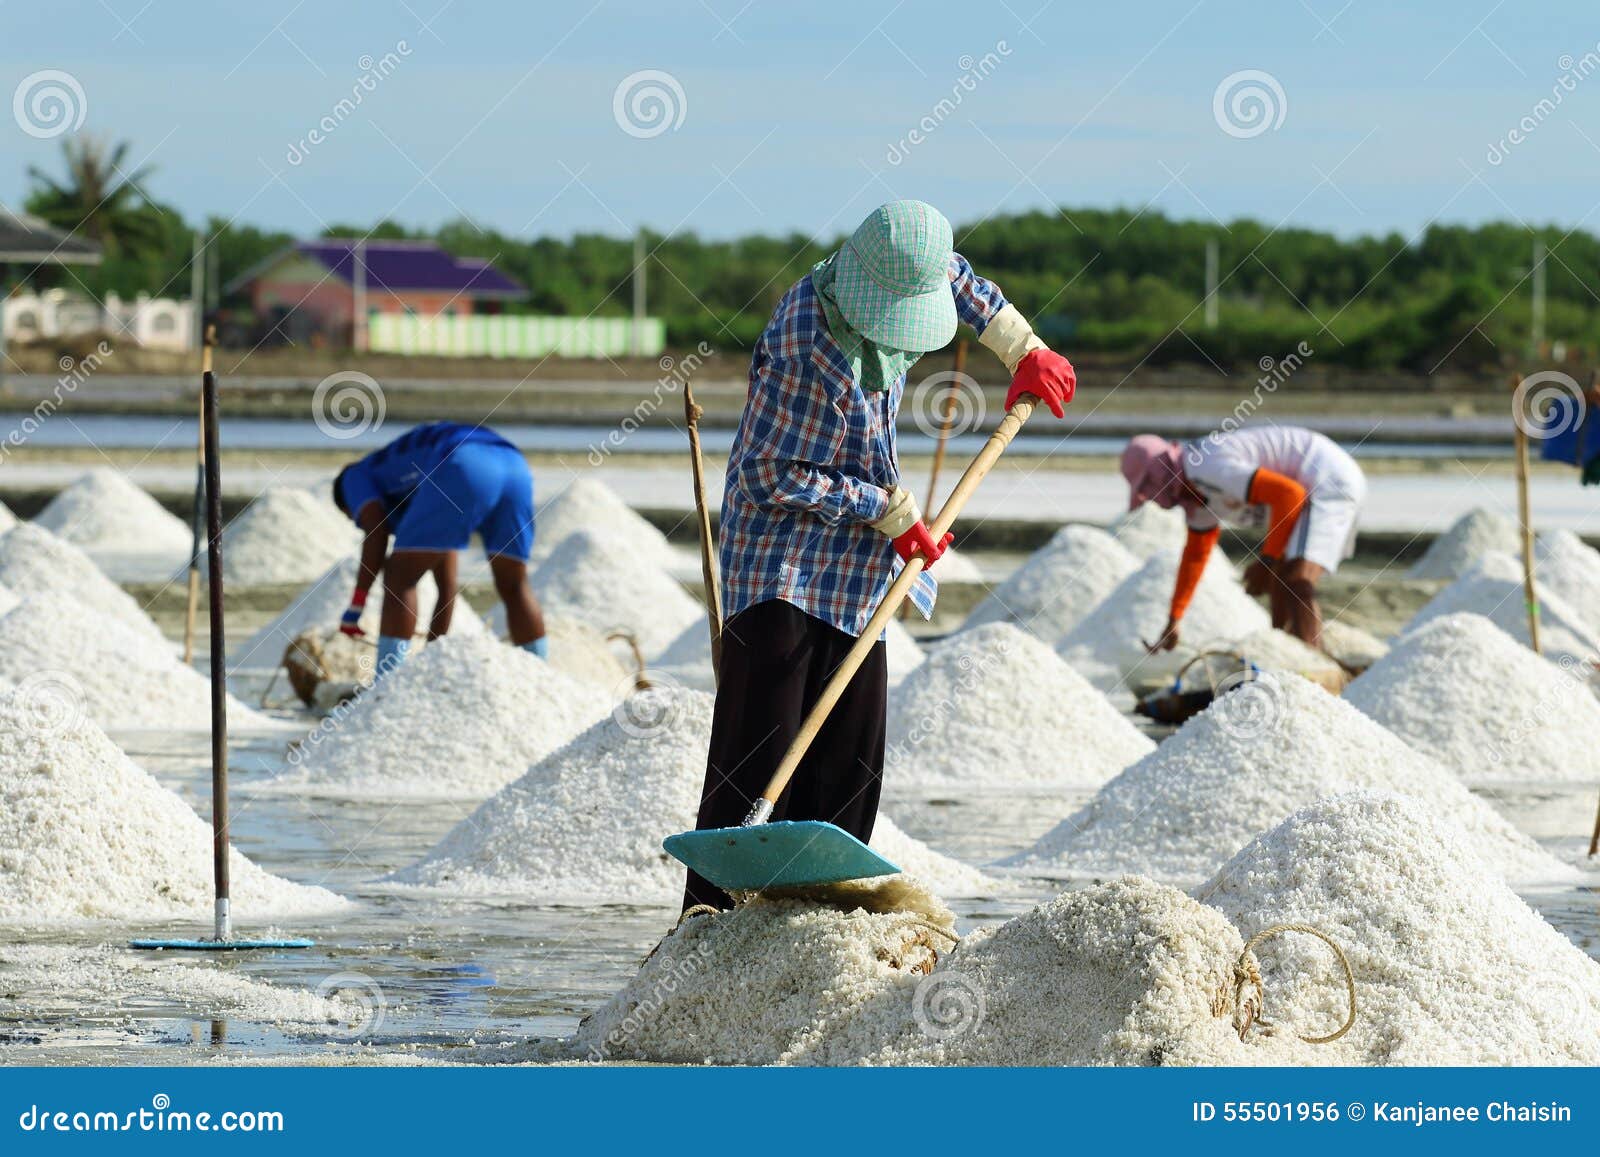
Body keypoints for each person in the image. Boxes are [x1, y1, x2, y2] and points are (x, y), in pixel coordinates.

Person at [681, 199, 1076, 912]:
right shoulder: (803, 341)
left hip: (858, 563)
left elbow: (959, 280)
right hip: (780, 556)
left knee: (853, 749)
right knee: (762, 744)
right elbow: (765, 474)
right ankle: (709, 921)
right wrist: (889, 511)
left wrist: (1024, 347)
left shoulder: (906, 261)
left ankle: (823, 919)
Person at [1120, 424, 1367, 650]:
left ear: (1158, 474)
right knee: (1280, 581)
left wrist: (1267, 560)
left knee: (1296, 580)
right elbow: (1195, 556)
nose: (1150, 498)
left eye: (1147, 488)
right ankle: (1288, 655)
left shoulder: (1205, 466)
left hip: (1327, 478)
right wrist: (1175, 618)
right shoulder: (1195, 499)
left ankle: (1312, 665)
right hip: (1310, 491)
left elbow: (1290, 495)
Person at [330, 420, 547, 673]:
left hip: (461, 461)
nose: (360, 522)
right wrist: (429, 665)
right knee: (514, 584)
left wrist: (355, 607)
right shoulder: (424, 494)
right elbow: (446, 589)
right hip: (514, 465)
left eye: (354, 518)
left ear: (348, 504)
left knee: (398, 577)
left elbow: (376, 532)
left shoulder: (355, 477)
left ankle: (385, 683)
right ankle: (540, 674)